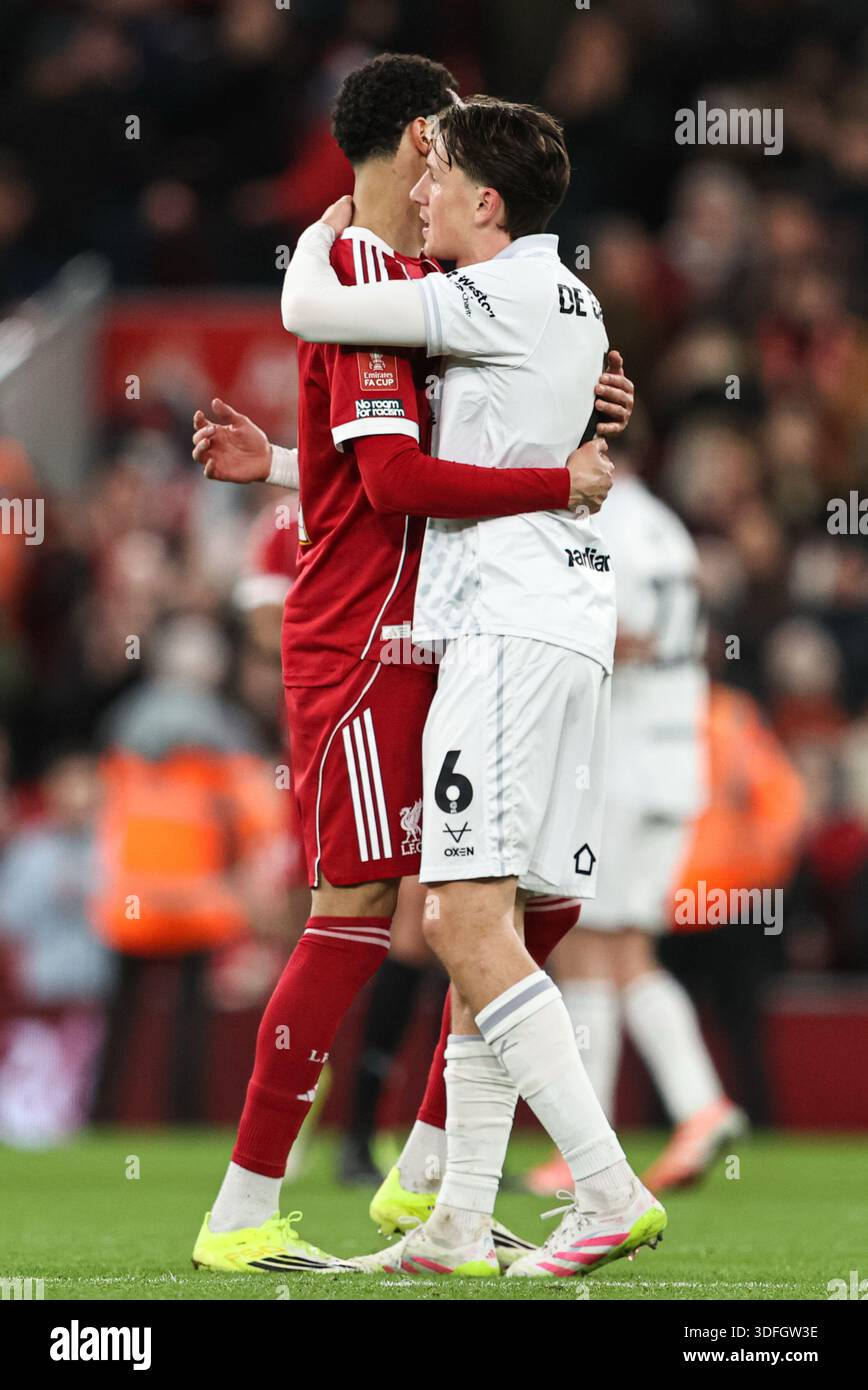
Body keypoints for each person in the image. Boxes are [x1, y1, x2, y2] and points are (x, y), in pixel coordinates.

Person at [190, 54, 629, 1276]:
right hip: (364, 638)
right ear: (426, 138)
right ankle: (244, 1207)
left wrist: (275, 464)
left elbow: (372, 462)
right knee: (357, 916)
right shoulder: (354, 273)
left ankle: (435, 1181)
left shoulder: (422, 281)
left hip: (444, 627)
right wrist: (562, 477)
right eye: (450, 140)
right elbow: (388, 481)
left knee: (522, 903)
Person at [526, 461, 747, 1199]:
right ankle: (699, 1105)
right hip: (676, 755)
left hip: (619, 760)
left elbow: (626, 632)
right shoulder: (667, 526)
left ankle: (582, 1151)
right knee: (624, 948)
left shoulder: (608, 519)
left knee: (586, 946)